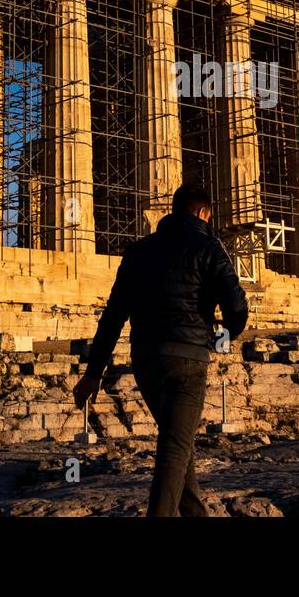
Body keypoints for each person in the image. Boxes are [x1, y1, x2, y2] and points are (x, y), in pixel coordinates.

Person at [73, 183, 249, 516]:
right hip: (187, 360)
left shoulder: (139, 251)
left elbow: (112, 316)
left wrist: (94, 372)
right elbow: (237, 309)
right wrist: (221, 337)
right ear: (201, 213)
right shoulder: (209, 247)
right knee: (173, 451)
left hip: (146, 360)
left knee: (178, 445)